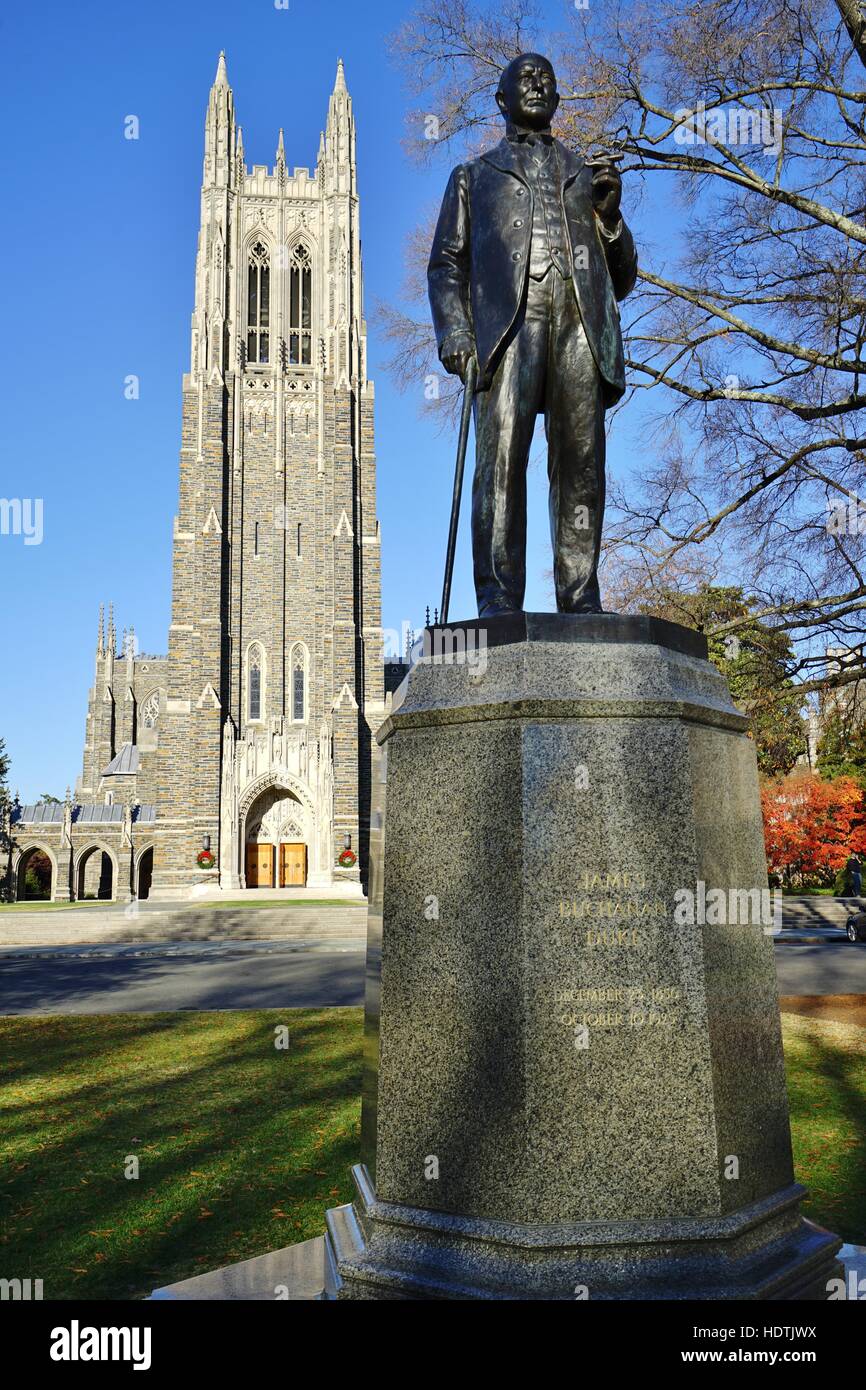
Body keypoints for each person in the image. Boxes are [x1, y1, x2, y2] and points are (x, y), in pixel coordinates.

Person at [428, 52, 637, 617]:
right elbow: (447, 264)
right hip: (507, 330)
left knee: (581, 464)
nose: (539, 83)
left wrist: (611, 220)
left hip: (579, 325)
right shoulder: (473, 177)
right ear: (502, 100)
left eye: (548, 77)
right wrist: (455, 330)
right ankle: (498, 597)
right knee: (500, 464)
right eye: (526, 77)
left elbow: (622, 281)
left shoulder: (588, 178)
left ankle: (581, 593)